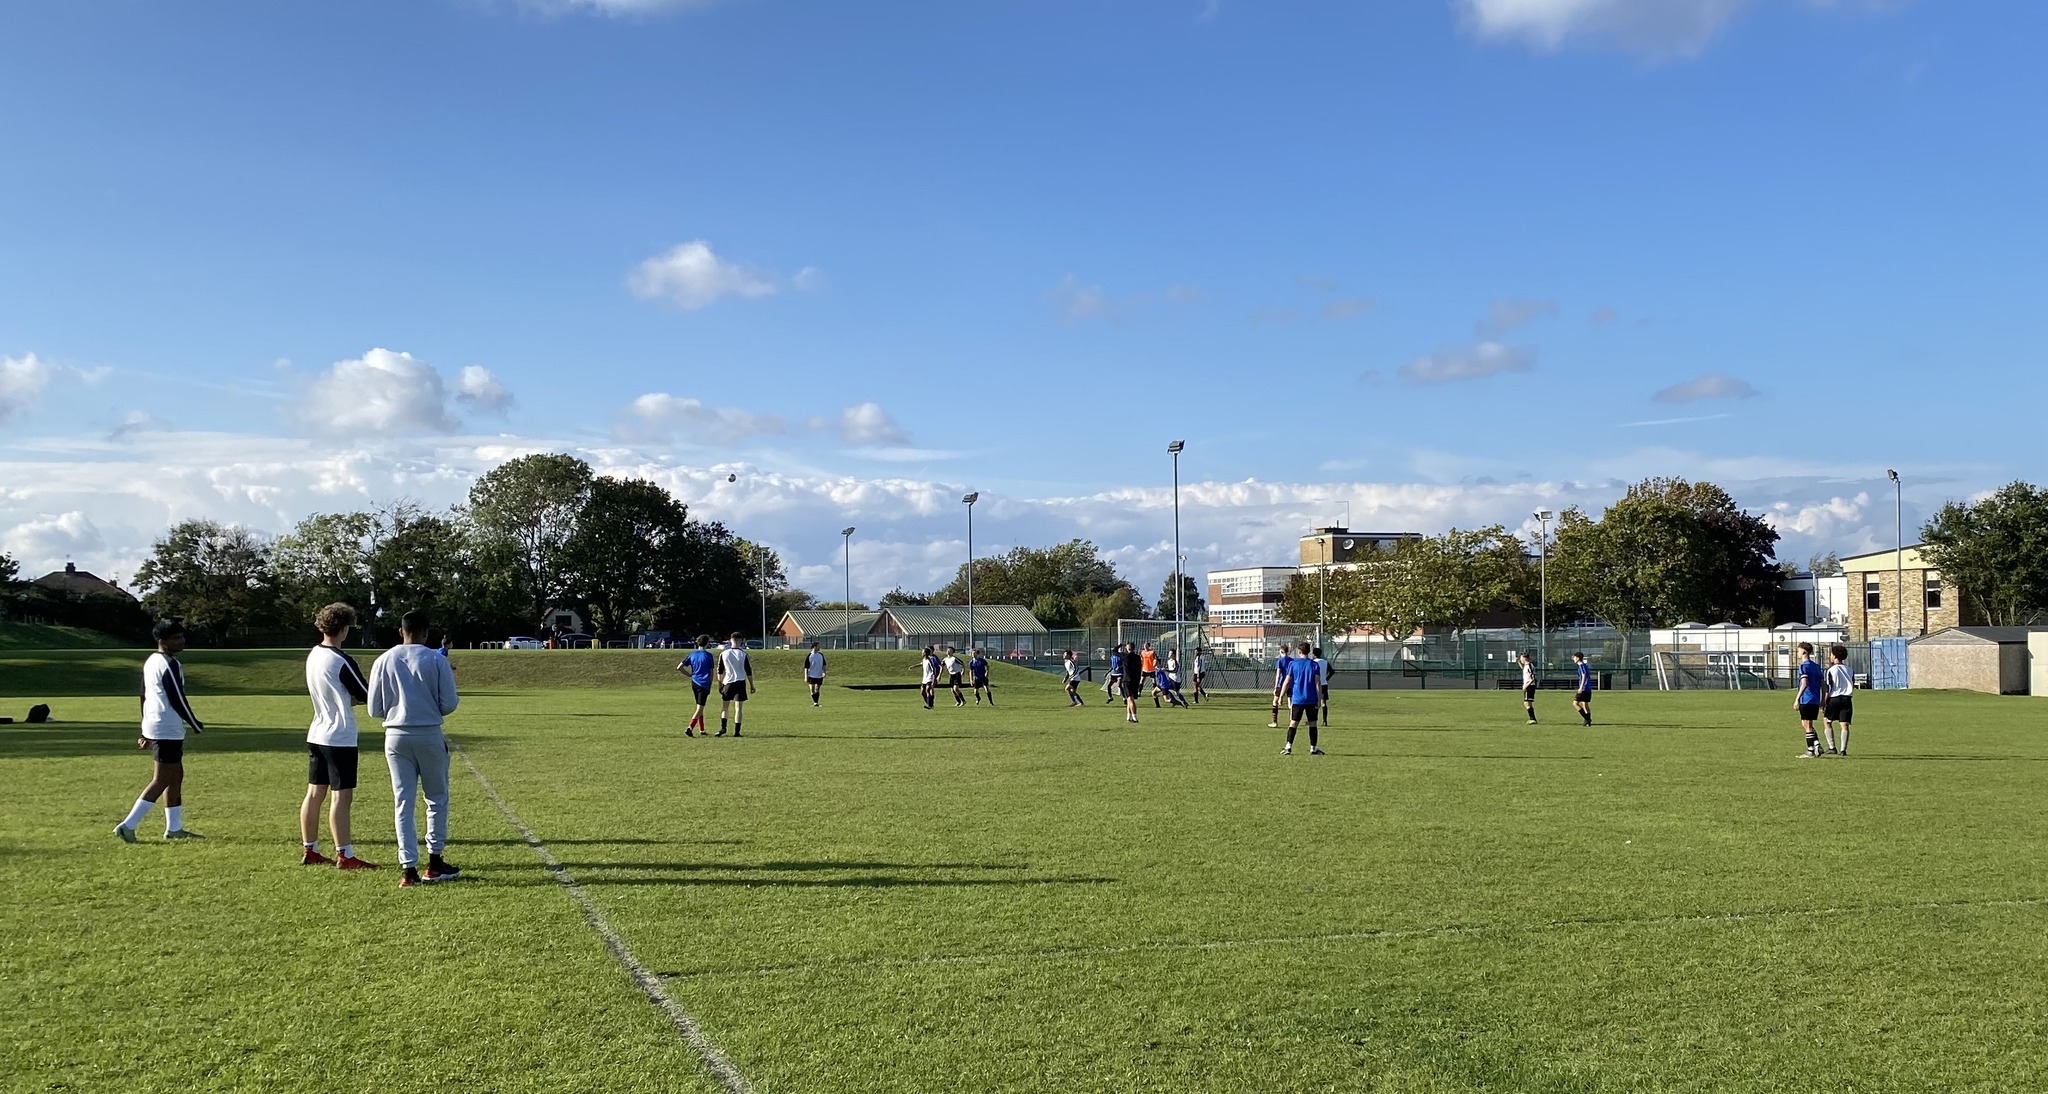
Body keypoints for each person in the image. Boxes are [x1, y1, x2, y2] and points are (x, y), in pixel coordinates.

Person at [368, 611, 461, 889]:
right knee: (436, 798)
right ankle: (434, 861)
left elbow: (374, 708)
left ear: (401, 631)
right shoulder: (435, 659)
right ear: (426, 633)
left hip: (395, 736)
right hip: (429, 733)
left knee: (403, 801)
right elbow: (450, 703)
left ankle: (408, 869)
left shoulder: (383, 660)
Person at [114, 619, 207, 843]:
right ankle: (128, 825)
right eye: (176, 638)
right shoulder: (168, 663)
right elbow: (176, 697)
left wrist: (145, 729)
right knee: (163, 778)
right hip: (167, 727)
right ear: (162, 641)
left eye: (182, 636)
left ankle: (174, 828)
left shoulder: (151, 661)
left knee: (176, 776)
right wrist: (194, 722)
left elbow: (144, 695)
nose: (181, 641)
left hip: (158, 725)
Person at [301, 603, 377, 870]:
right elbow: (367, 694)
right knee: (341, 797)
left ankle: (310, 849)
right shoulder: (340, 659)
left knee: (314, 794)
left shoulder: (313, 654)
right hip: (339, 736)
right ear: (344, 629)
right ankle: (345, 854)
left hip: (317, 731)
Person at [1281, 641, 1324, 755]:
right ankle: (1313, 748)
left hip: (1297, 699)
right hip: (1311, 699)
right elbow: (1317, 684)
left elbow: (1286, 682)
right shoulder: (1314, 665)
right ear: (1309, 652)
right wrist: (1319, 700)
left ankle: (1288, 747)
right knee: (1313, 723)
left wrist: (1281, 696)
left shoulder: (1293, 664)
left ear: (1299, 652)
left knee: (1293, 723)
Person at [717, 631, 754, 736]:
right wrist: (751, 685)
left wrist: (720, 684)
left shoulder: (724, 654)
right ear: (740, 641)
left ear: (730, 640)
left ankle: (723, 728)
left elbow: (720, 671)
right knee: (738, 708)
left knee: (725, 707)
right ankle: (737, 732)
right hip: (740, 682)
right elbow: (749, 672)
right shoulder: (744, 654)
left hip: (728, 682)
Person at [1794, 641, 1826, 758]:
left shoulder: (1804, 666)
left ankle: (1810, 750)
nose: (1797, 653)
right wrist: (1823, 699)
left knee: (1807, 725)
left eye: (1798, 651)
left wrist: (1797, 698)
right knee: (1806, 723)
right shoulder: (1817, 667)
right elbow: (1823, 684)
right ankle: (1817, 744)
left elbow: (1804, 683)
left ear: (1804, 651)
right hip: (1815, 699)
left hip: (1806, 699)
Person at [679, 635, 716, 736]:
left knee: (699, 706)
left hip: (694, 683)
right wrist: (710, 684)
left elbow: (679, 667)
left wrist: (690, 675)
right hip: (704, 683)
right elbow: (711, 672)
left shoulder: (692, 654)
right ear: (707, 643)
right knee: (700, 707)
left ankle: (702, 730)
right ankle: (690, 727)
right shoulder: (708, 656)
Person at [1824, 644, 1855, 756]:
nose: (1830, 656)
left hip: (1834, 698)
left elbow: (1828, 687)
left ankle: (1832, 747)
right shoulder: (1850, 670)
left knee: (1827, 721)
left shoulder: (1831, 670)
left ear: (1835, 655)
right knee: (1844, 724)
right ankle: (1843, 750)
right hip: (1847, 699)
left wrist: (1824, 702)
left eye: (1831, 654)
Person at [1270, 644, 1295, 729]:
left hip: (1281, 684)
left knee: (1275, 701)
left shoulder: (1280, 661)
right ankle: (1292, 722)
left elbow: (1278, 674)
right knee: (1291, 704)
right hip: (1291, 683)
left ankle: (1274, 722)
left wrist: (1275, 686)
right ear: (1288, 651)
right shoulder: (1292, 660)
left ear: (1281, 651)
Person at [1121, 642, 1143, 723]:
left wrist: (1120, 645)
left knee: (1130, 698)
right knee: (1129, 699)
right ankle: (1128, 717)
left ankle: (1134, 717)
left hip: (1127, 680)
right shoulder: (1138, 657)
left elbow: (1114, 651)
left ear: (1127, 648)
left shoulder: (1125, 656)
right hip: (1135, 680)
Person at [1572, 651, 1594, 727]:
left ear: (1578, 658)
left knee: (1575, 703)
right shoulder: (1585, 665)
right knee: (1585, 704)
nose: (1573, 659)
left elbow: (1584, 675)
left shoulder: (1581, 666)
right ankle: (1588, 722)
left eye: (1574, 657)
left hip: (1584, 688)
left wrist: (1581, 687)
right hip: (1588, 688)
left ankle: (1587, 719)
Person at [804, 642, 828, 707]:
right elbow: (806, 667)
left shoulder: (821, 655)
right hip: (811, 675)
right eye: (818, 646)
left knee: (817, 689)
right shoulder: (810, 656)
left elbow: (824, 665)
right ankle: (815, 702)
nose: (819, 647)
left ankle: (816, 703)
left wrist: (824, 672)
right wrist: (806, 676)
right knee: (812, 689)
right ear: (814, 647)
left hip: (819, 675)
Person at [1313, 646, 1331, 725]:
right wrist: (1326, 678)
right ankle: (1324, 720)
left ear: (1313, 654)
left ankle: (1314, 720)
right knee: (1323, 703)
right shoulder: (1325, 662)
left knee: (1314, 702)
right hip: (1324, 684)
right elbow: (1332, 671)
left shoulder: (1313, 662)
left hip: (1315, 684)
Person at [1519, 651, 1538, 725]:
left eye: (1521, 658)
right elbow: (1523, 668)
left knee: (1526, 703)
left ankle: (1532, 718)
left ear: (1524, 658)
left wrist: (1525, 685)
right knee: (1527, 703)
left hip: (1530, 686)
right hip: (1529, 686)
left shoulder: (1530, 666)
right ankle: (1532, 718)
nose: (1521, 660)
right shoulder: (1526, 666)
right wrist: (1519, 662)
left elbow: (1532, 678)